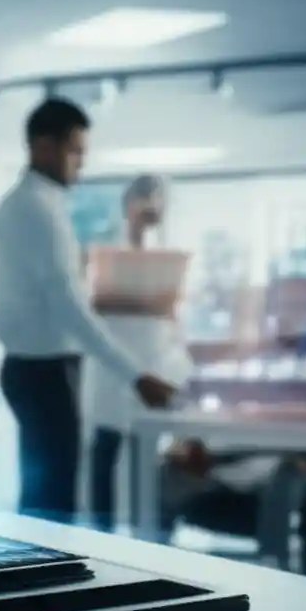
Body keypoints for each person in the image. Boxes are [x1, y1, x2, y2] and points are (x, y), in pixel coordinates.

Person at [0, 98, 177, 524]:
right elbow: (67, 307)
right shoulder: (36, 209)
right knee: (52, 502)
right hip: (44, 372)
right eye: (74, 151)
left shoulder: (32, 204)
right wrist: (137, 375)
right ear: (42, 145)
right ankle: (40, 585)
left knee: (47, 494)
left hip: (39, 368)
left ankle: (35, 582)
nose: (80, 163)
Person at [85, 174, 194, 533]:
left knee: (145, 460)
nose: (152, 214)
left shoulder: (169, 259)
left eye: (157, 206)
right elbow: (91, 307)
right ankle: (100, 540)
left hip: (151, 363)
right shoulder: (106, 255)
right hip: (113, 369)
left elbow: (174, 319)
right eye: (145, 206)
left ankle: (145, 541)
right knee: (105, 453)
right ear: (129, 207)